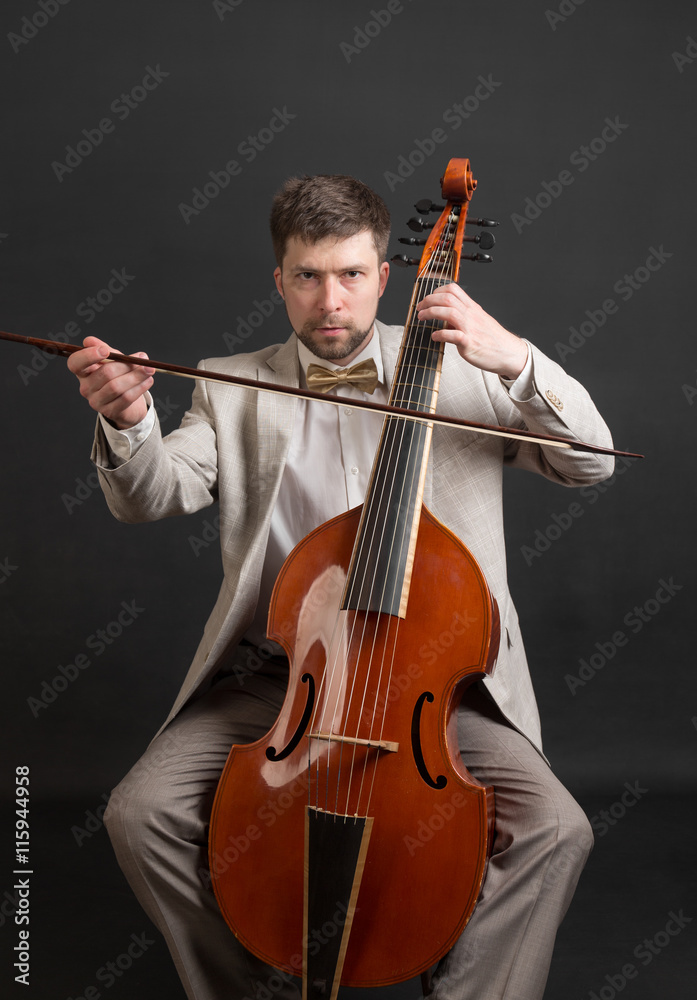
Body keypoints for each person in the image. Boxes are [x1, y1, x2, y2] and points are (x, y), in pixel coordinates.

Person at [67, 174, 614, 1000]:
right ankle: (250, 988)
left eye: (352, 274)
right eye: (308, 276)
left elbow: (591, 462)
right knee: (139, 815)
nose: (331, 299)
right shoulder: (228, 382)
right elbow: (152, 495)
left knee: (554, 829)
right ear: (278, 281)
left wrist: (517, 359)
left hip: (435, 692)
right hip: (279, 684)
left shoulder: (465, 373)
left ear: (384, 276)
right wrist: (126, 421)